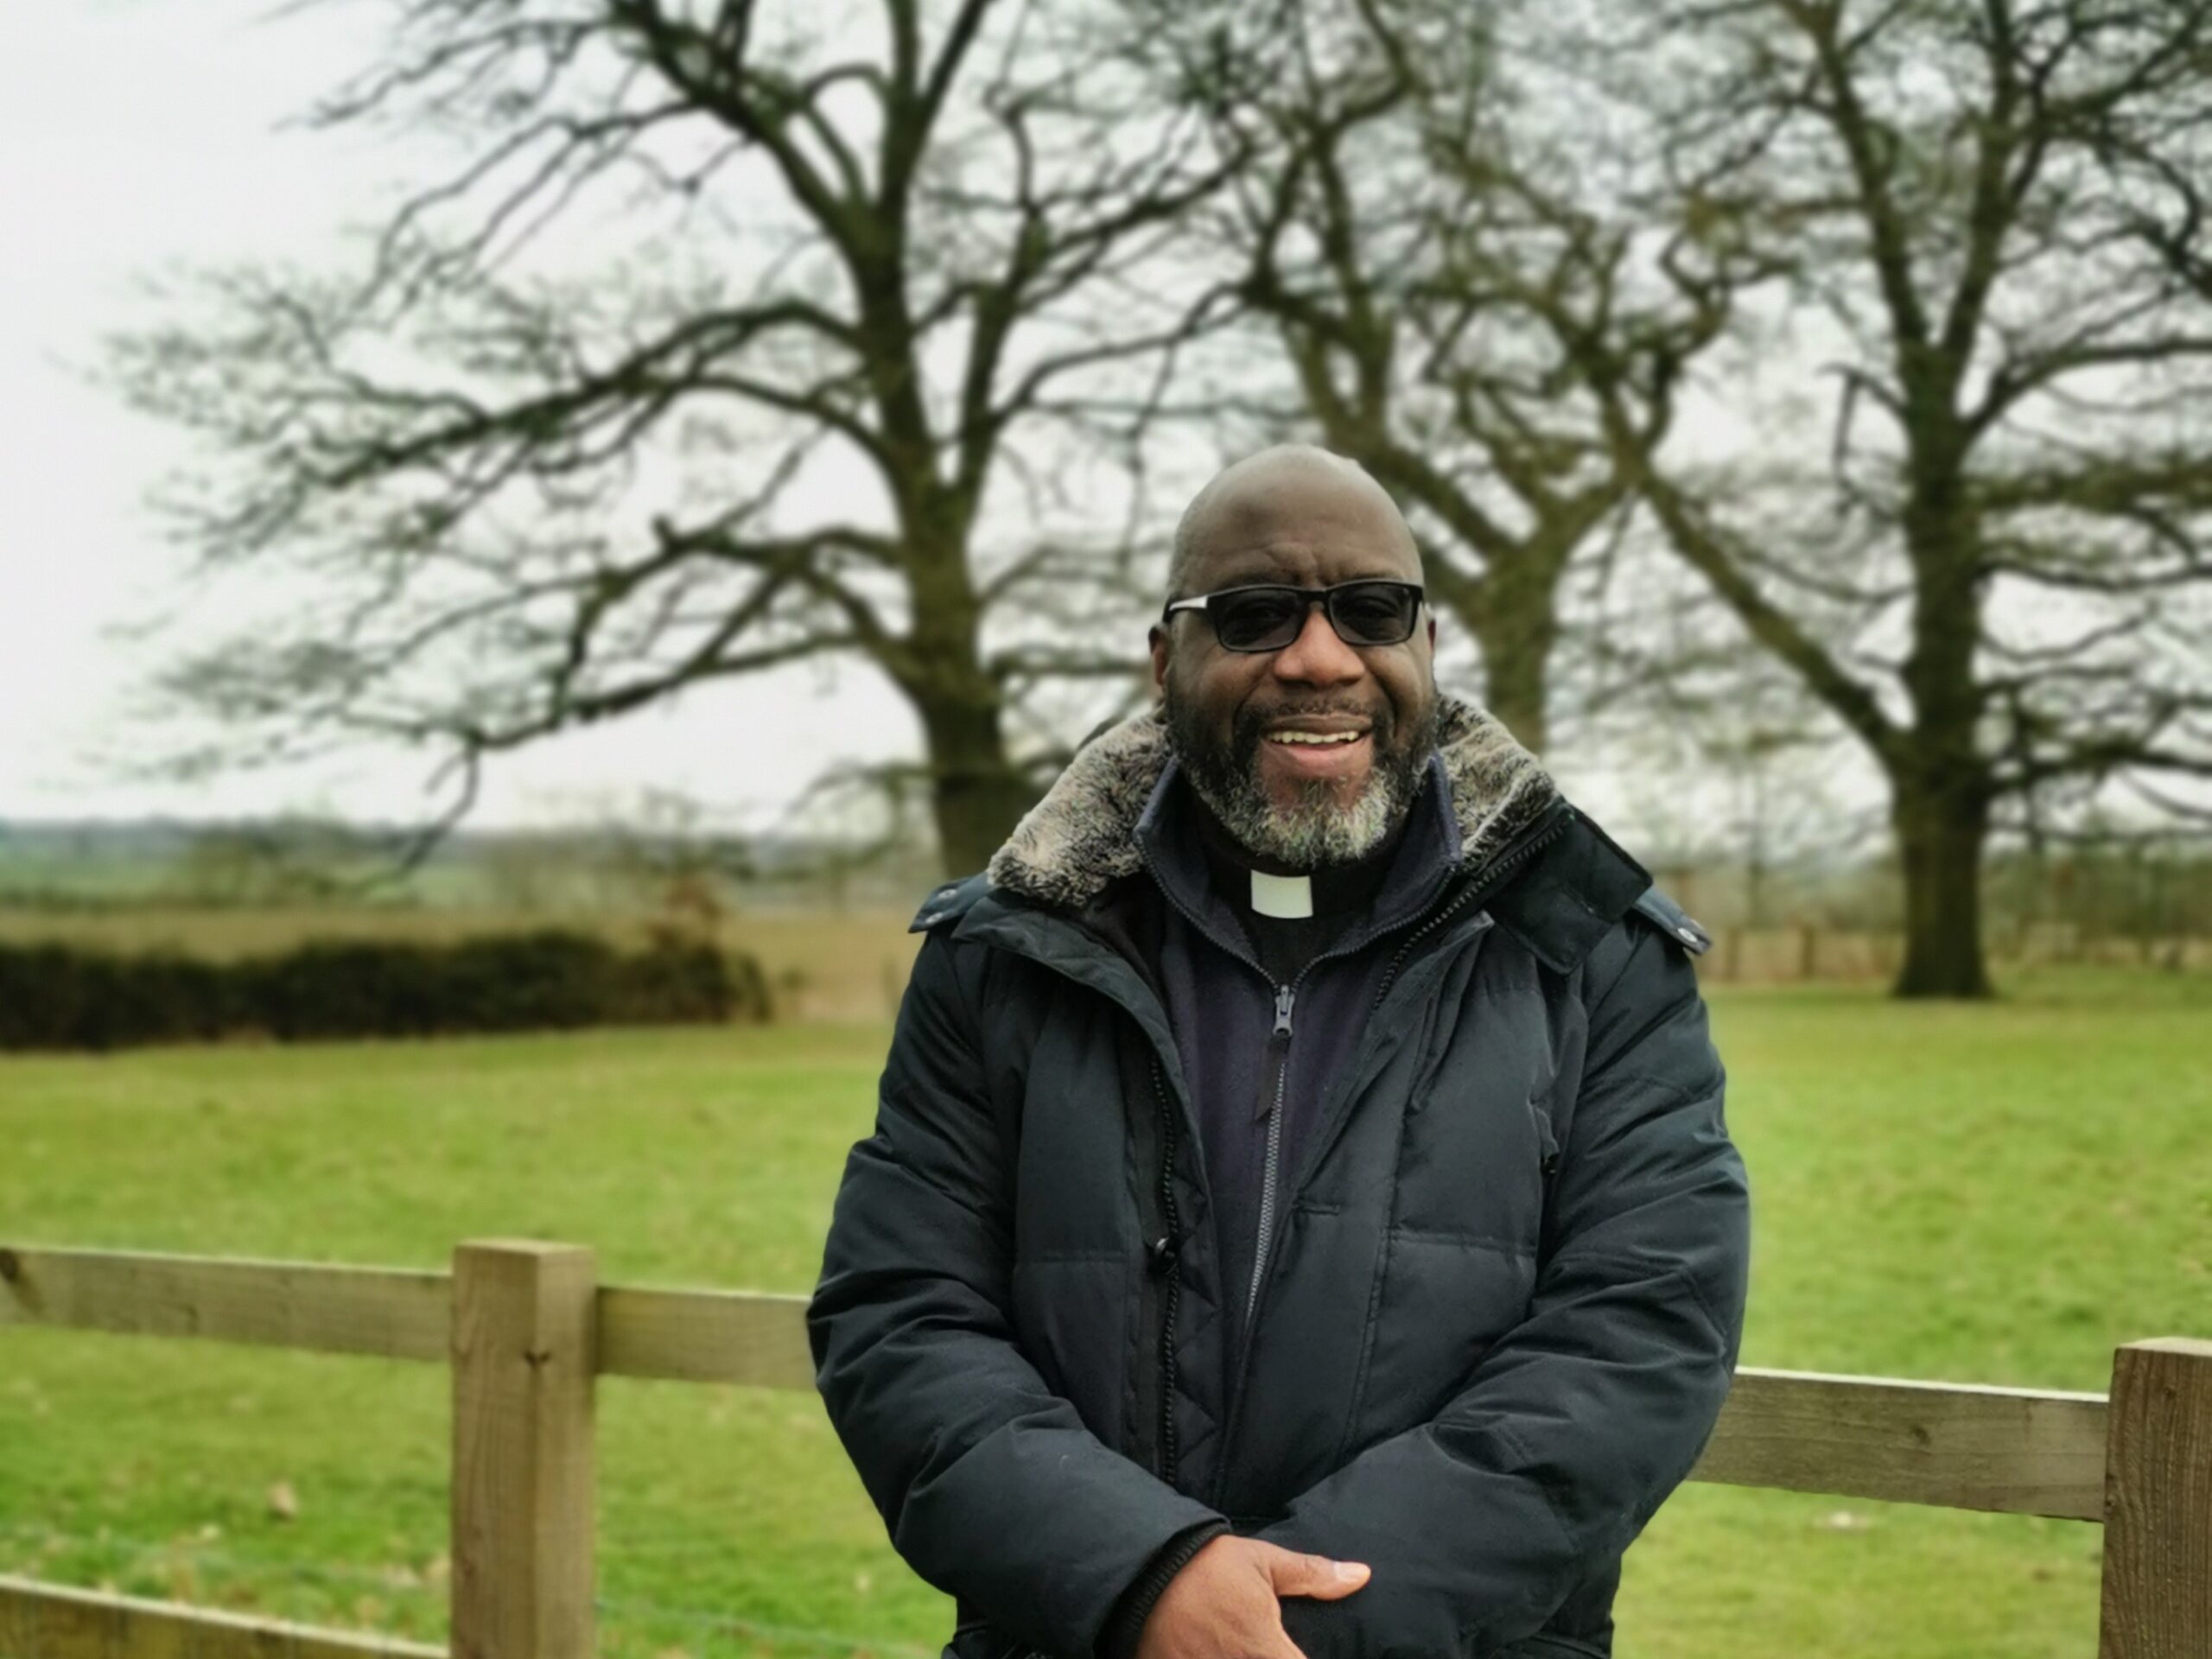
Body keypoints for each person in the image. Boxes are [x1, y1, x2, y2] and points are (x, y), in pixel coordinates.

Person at [807, 446, 1751, 1659]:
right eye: (1254, 615)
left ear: (1425, 646)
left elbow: (1642, 1333)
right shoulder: (1007, 953)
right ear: (1167, 661)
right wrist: (1145, 1582)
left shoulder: (1593, 956)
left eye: (1373, 611)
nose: (1320, 658)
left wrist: (1294, 1628)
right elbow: (901, 1317)